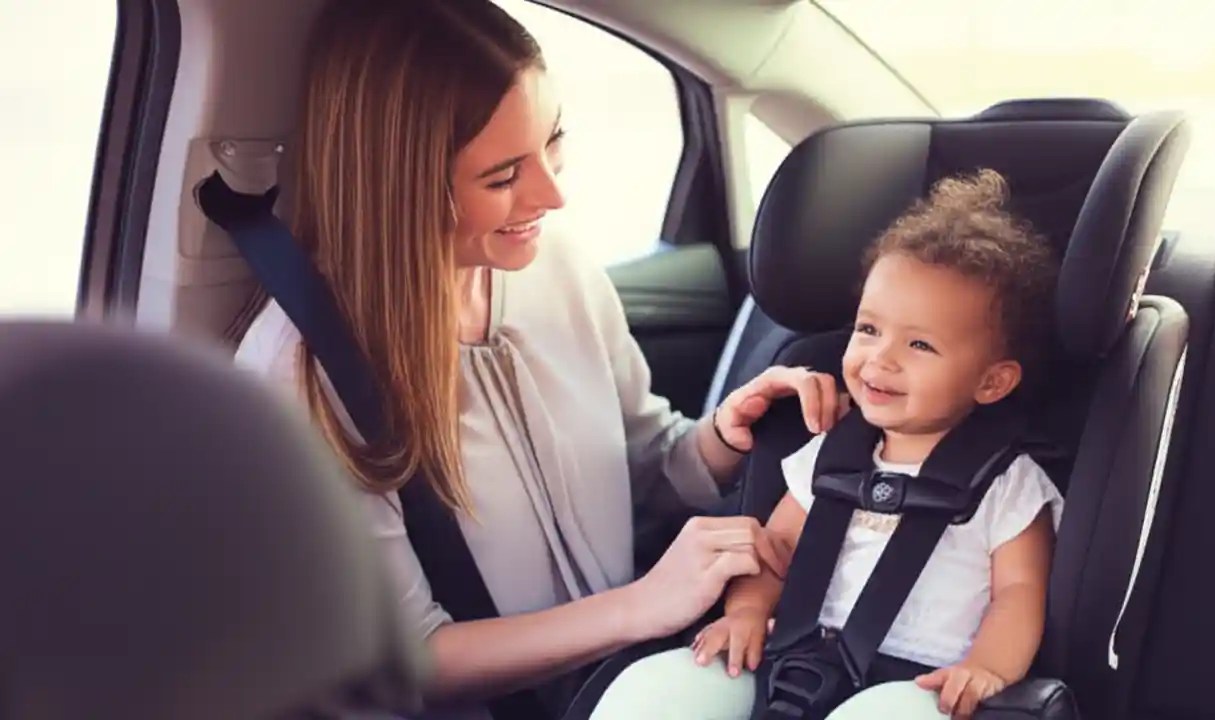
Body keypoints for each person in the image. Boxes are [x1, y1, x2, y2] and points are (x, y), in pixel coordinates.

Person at [232, 0, 840, 715]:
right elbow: (403, 663)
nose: (552, 194)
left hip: (622, 684)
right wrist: (643, 606)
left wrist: (719, 441)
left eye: (553, 141)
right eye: (502, 177)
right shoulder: (299, 373)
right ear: (400, 184)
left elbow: (646, 466)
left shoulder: (557, 271)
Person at [590, 169, 1066, 720]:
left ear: (992, 381)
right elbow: (775, 550)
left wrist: (986, 668)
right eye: (868, 330)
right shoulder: (829, 453)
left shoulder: (1011, 485)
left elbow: (1019, 594)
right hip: (791, 657)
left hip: (918, 684)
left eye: (919, 344)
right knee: (667, 683)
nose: (880, 358)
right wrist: (746, 612)